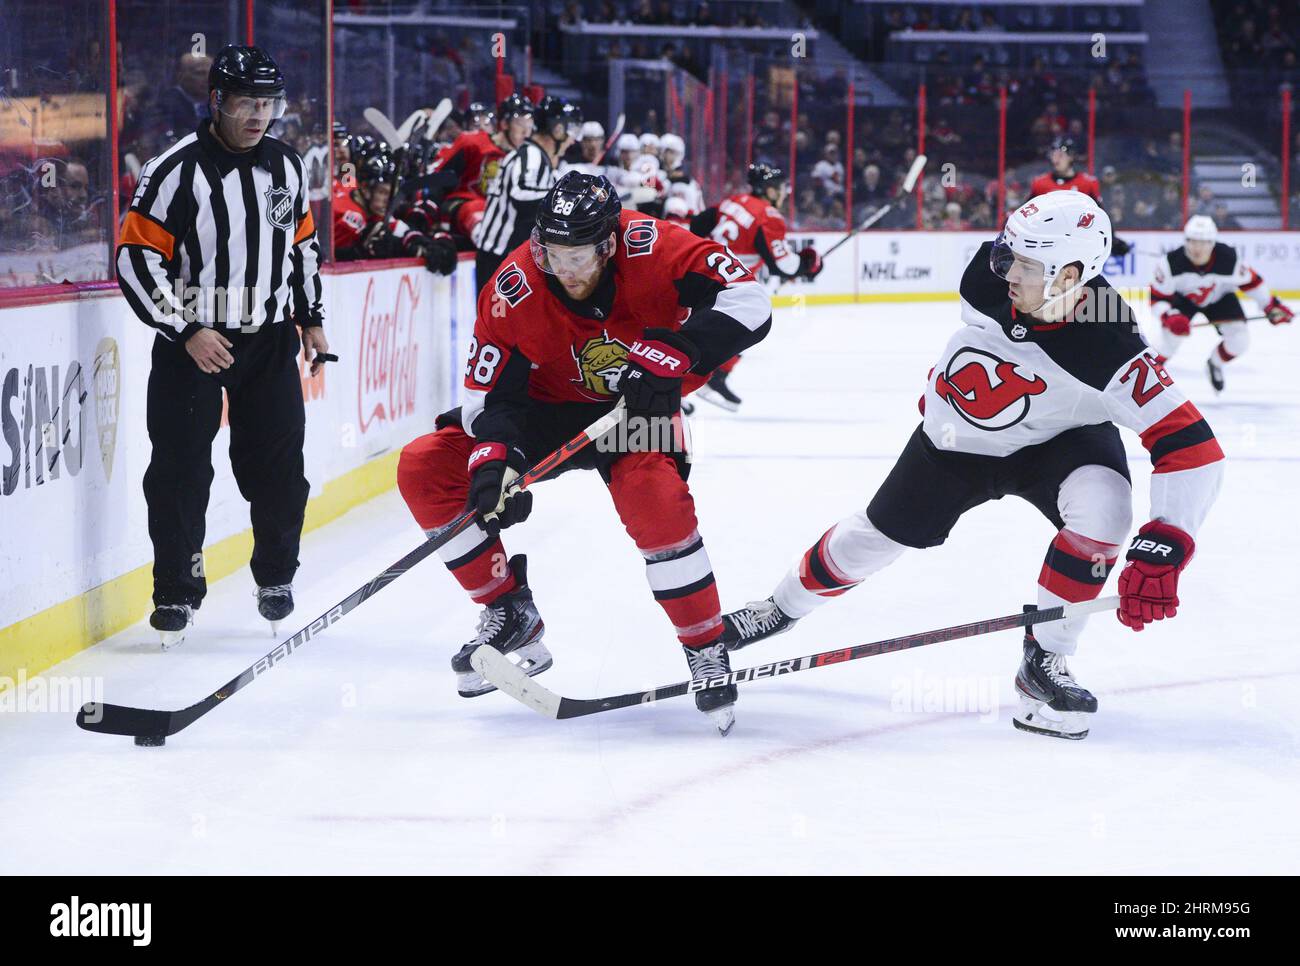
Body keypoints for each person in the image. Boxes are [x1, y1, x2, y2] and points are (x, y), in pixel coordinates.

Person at [719, 192, 1225, 740]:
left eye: (1024, 266)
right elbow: (985, 344)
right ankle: (778, 608)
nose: (1005, 273)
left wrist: (1169, 537)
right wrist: (944, 389)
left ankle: (1045, 659)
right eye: (1007, 256)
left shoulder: (1112, 344)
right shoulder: (986, 275)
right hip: (957, 443)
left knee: (1105, 510)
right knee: (871, 540)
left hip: (1060, 442)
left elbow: (1191, 446)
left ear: (1069, 276)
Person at [395, 172, 772, 733]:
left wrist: (682, 351)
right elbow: (484, 394)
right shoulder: (513, 285)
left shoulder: (656, 245)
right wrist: (497, 459)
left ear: (610, 243)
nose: (565, 270)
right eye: (554, 254)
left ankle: (704, 644)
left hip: (633, 411)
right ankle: (508, 609)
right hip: (542, 412)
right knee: (425, 466)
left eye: (579, 256)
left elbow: (751, 298)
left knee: (656, 502)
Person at [116, 45, 329, 648]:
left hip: (267, 342)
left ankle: (276, 576)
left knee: (280, 470)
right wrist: (185, 330)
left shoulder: (287, 167)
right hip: (193, 346)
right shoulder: (173, 170)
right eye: (247, 103)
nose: (259, 115)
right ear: (217, 101)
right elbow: (136, 262)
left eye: (269, 103)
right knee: (181, 471)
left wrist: (310, 317)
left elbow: (302, 247)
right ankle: (177, 592)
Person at [688, 162, 822, 411]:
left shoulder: (734, 201)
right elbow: (784, 265)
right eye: (780, 188)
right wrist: (809, 265)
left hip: (705, 273)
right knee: (750, 324)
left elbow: (697, 226)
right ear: (769, 190)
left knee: (702, 329)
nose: (783, 193)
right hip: (730, 284)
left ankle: (710, 379)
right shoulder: (768, 215)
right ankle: (702, 381)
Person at [1151, 215, 1292, 391]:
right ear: (1185, 241)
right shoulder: (1169, 264)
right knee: (1169, 341)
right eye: (1193, 242)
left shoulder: (1229, 259)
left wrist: (1271, 305)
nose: (1197, 248)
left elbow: (1252, 283)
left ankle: (1215, 363)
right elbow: (1157, 299)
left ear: (1213, 243)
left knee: (1240, 340)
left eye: (1203, 242)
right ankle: (1148, 376)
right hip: (1183, 301)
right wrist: (1170, 317)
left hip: (1220, 299)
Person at [472, 94, 578, 292]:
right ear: (557, 128)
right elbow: (522, 196)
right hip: (499, 261)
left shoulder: (535, 156)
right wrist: (568, 205)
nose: (573, 139)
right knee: (502, 323)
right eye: (572, 129)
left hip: (503, 259)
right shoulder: (531, 156)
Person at [1031, 135, 1131, 254]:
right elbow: (1027, 214)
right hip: (1048, 245)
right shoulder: (1040, 184)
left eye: (1060, 155)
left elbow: (1100, 215)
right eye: (1053, 155)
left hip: (1078, 246)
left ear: (1071, 157)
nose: (1055, 160)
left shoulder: (1087, 183)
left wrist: (1111, 239)